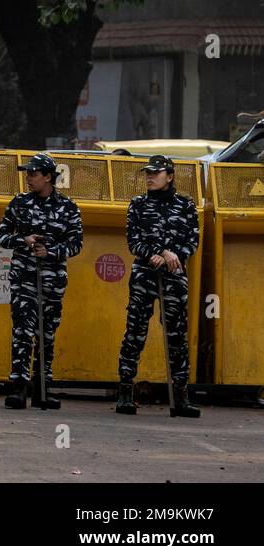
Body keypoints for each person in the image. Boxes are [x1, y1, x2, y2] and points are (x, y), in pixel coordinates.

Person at [0, 152, 83, 410]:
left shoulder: (68, 207)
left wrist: (52, 252)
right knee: (22, 331)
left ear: (48, 177)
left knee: (47, 334)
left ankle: (42, 389)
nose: (29, 179)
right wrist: (24, 240)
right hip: (24, 277)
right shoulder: (19, 203)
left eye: (33, 174)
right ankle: (18, 389)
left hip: (52, 281)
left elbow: (76, 244)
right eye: (27, 174)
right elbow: (0, 236)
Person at [115, 155, 201, 417]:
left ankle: (180, 396)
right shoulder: (138, 205)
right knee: (135, 332)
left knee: (177, 336)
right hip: (145, 275)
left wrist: (171, 255)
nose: (150, 177)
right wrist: (159, 251)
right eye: (147, 173)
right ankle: (125, 392)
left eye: (156, 172)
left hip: (174, 276)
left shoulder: (186, 205)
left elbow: (192, 242)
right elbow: (134, 242)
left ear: (170, 176)